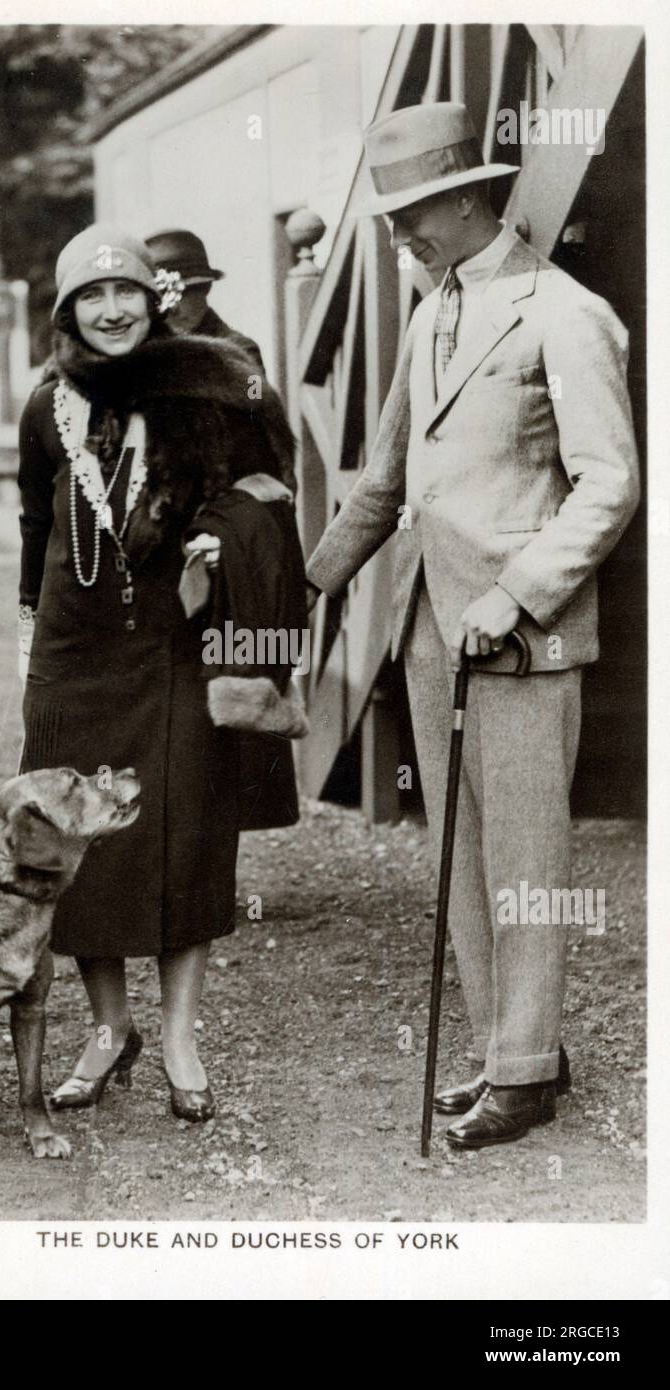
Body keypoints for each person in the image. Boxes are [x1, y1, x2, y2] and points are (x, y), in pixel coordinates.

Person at [306, 103, 640, 1149]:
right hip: (432, 628)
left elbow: (611, 484)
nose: (401, 233)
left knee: (528, 861)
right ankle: (511, 1049)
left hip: (521, 636)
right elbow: (385, 476)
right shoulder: (430, 309)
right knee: (463, 855)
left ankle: (528, 1073)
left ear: (463, 197)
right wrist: (299, 582)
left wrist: (517, 591)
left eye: (412, 213)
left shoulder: (564, 314)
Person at [17, 224, 303, 1123]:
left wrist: (228, 528)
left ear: (157, 299)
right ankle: (109, 1030)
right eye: (90, 298)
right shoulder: (47, 405)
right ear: (68, 311)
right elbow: (36, 521)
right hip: (75, 653)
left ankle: (180, 1036)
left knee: (186, 837)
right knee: (79, 845)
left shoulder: (210, 390)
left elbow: (273, 487)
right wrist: (34, 623)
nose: (111, 311)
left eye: (127, 294)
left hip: (178, 646)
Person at [145, 228, 265, 370]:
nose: (172, 307)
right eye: (161, 297)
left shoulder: (241, 351)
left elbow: (255, 392)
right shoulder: (145, 350)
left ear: (205, 287)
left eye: (182, 294)